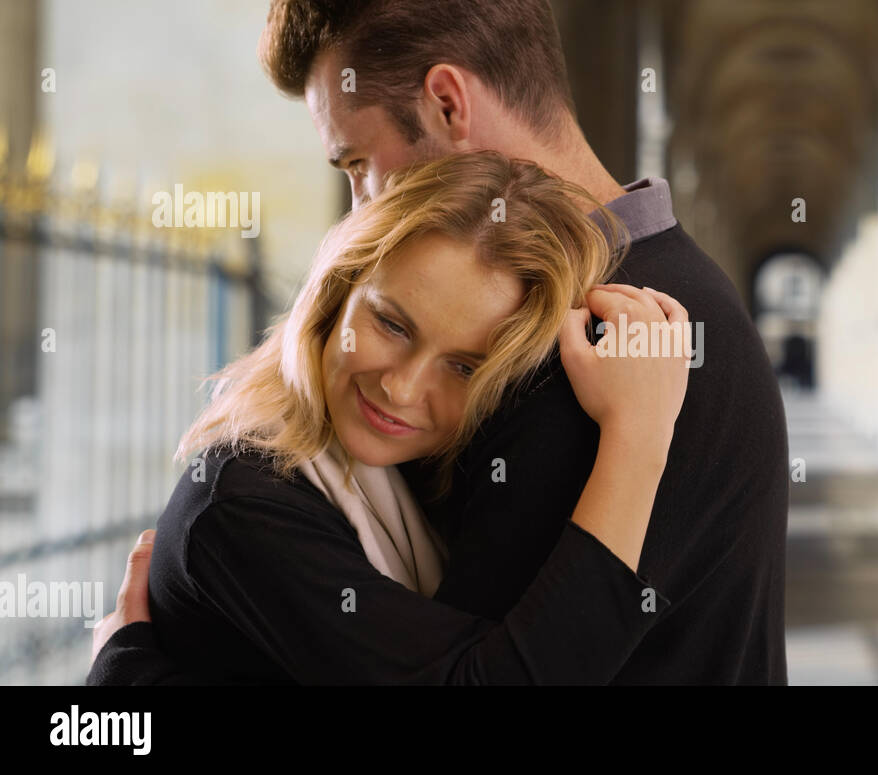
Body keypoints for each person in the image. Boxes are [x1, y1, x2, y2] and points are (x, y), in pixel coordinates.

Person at [90, 0, 789, 684]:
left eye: (357, 163)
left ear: (447, 104)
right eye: (393, 322)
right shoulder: (678, 300)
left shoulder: (600, 351)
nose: (363, 210)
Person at [95, 150, 689, 684]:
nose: (402, 389)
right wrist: (638, 435)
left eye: (463, 368)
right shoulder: (241, 503)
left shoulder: (415, 475)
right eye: (392, 324)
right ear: (337, 290)